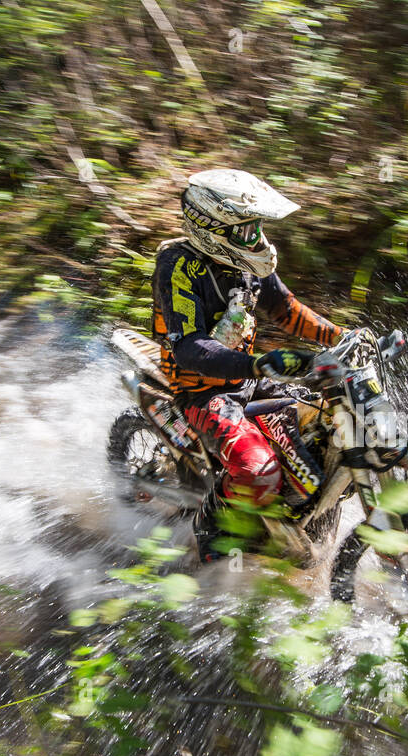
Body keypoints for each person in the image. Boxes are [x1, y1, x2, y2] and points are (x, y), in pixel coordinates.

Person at [150, 168, 348, 559]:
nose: (256, 237)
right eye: (246, 230)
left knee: (325, 428)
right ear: (213, 227)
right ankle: (210, 542)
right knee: (260, 470)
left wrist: (343, 337)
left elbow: (288, 311)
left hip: (248, 380)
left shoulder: (249, 264)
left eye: (257, 227)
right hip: (201, 392)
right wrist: (258, 364)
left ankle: (294, 517)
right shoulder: (179, 267)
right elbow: (190, 348)